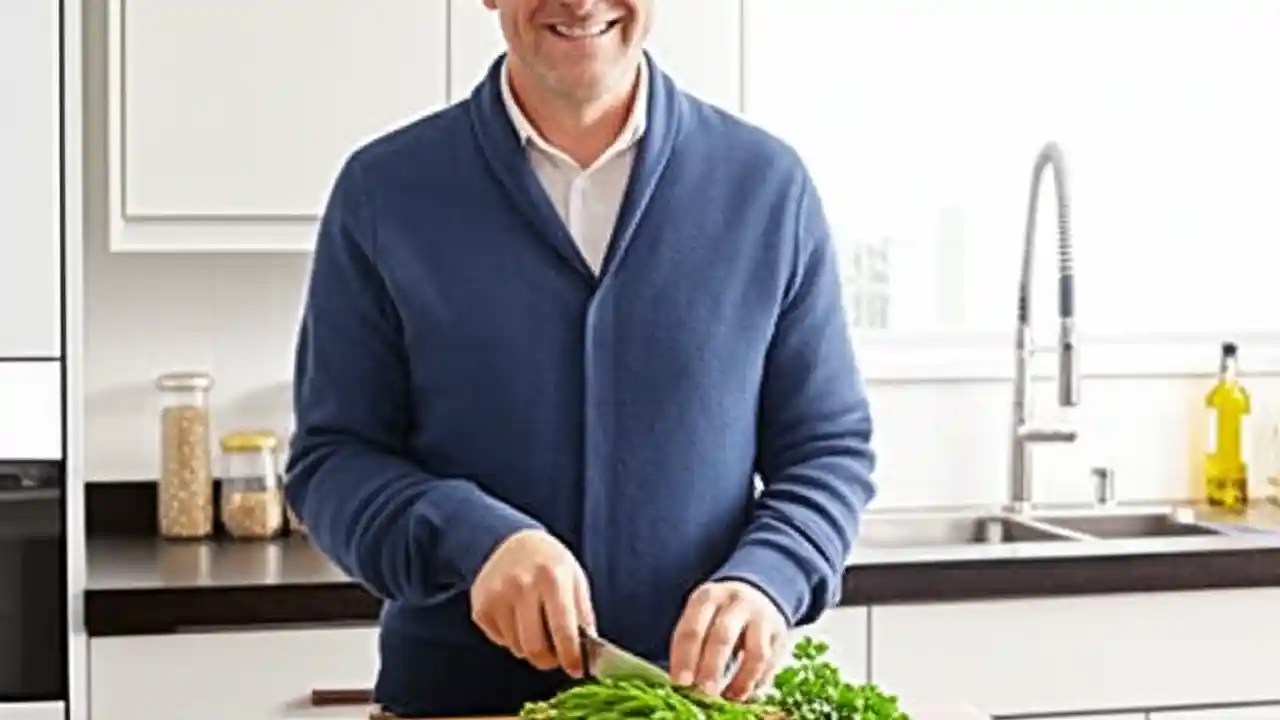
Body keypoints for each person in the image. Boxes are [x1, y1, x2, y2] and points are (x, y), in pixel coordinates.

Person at [285, 0, 877, 715]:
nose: (580, 3)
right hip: (457, 706)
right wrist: (472, 539)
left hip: (698, 706)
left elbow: (826, 449)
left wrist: (769, 576)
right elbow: (333, 461)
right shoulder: (384, 192)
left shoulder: (767, 187)